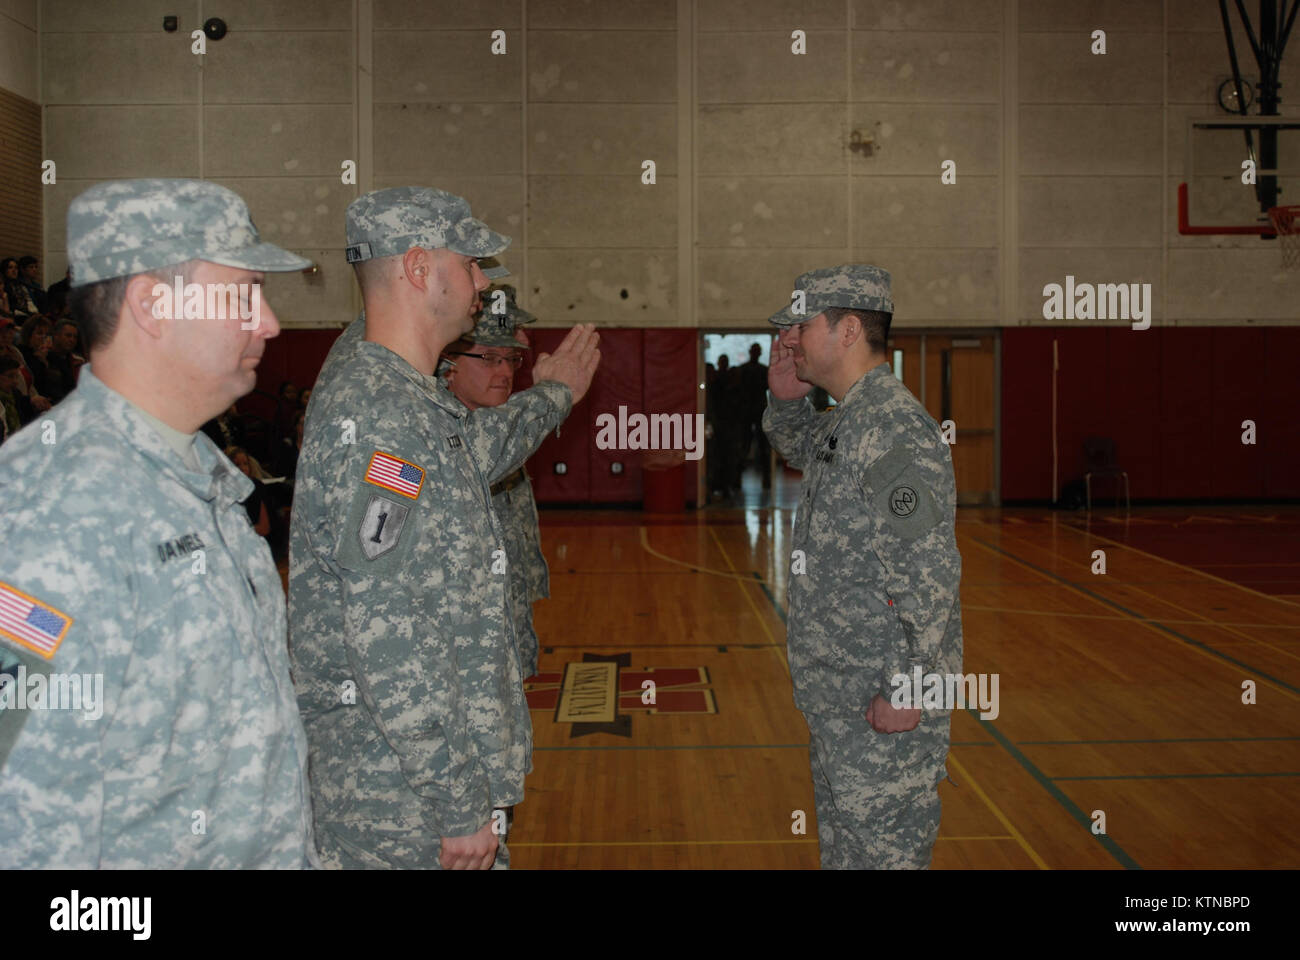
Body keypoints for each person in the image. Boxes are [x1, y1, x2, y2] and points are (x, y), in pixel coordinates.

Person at [0, 178, 318, 868]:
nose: (270, 324)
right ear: (152, 303)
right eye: (242, 295)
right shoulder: (49, 509)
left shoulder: (195, 476)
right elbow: (24, 829)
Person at [289, 186, 599, 871]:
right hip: (399, 800)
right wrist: (458, 800)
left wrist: (555, 396)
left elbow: (475, 453)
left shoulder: (407, 400)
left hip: (413, 784)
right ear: (421, 268)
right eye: (472, 263)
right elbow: (383, 627)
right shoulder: (382, 414)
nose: (483, 282)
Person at [761, 264, 963, 870]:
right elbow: (801, 447)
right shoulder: (852, 418)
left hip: (882, 699)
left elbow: (928, 571)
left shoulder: (892, 430)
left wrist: (906, 683)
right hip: (845, 698)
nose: (789, 338)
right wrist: (786, 399)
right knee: (850, 855)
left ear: (848, 330)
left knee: (884, 857)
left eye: (800, 325)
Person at [441, 285, 550, 682]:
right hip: (463, 662)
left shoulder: (496, 434)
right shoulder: (439, 437)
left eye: (511, 359)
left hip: (502, 647)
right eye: (489, 357)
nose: (505, 372)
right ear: (447, 361)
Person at [737, 342, 771, 488]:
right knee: (743, 446)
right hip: (746, 411)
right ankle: (736, 479)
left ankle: (766, 478)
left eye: (758, 351)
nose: (755, 353)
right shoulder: (743, 370)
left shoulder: (763, 370)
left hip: (758, 411)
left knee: (762, 448)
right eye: (754, 351)